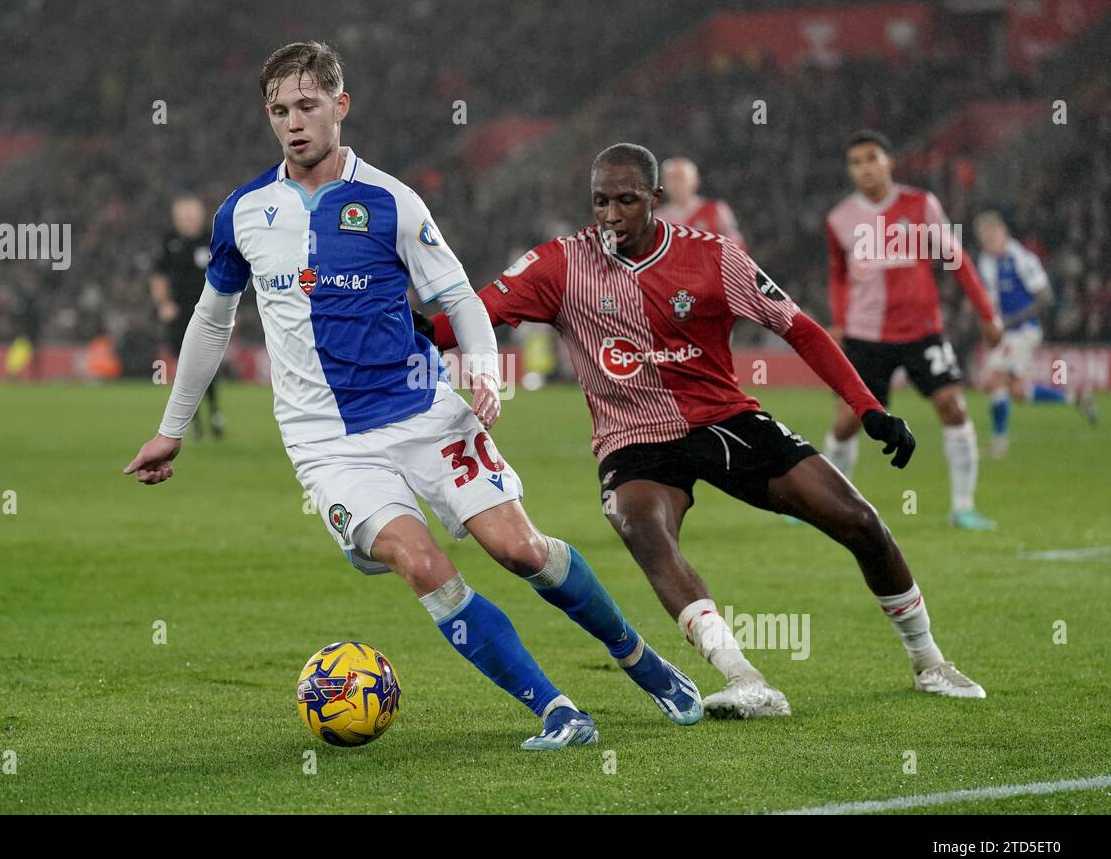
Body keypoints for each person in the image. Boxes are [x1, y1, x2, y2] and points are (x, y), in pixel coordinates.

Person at [124, 42, 701, 750]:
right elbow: (211, 320)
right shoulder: (244, 212)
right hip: (326, 442)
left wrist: (485, 372)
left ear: (341, 106)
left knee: (521, 552)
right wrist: (172, 427)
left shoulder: (392, 202)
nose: (293, 123)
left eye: (307, 105)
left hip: (425, 411)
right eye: (279, 111)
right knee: (425, 565)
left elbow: (457, 297)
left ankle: (640, 661)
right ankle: (556, 710)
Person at [422, 142, 987, 718]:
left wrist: (868, 408)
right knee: (644, 529)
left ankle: (929, 661)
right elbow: (463, 320)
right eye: (600, 202)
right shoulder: (560, 264)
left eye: (626, 200)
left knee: (859, 521)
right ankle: (744, 678)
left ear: (656, 200)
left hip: (724, 420)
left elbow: (801, 329)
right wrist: (391, 323)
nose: (611, 214)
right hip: (634, 438)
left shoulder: (714, 257)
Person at [824, 130, 1003, 530]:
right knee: (846, 422)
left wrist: (987, 313)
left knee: (952, 407)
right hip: (865, 336)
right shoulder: (839, 218)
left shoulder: (920, 205)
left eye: (872, 158)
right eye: (855, 163)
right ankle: (827, 504)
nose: (865, 169)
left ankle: (963, 507)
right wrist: (838, 320)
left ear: (889, 161)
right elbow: (837, 275)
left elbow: (956, 259)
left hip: (923, 331)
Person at [974, 210, 1096, 457]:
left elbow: (1045, 297)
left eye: (992, 237)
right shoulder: (986, 262)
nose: (989, 243)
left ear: (1003, 233)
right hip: (1007, 332)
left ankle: (999, 445)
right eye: (984, 240)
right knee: (1019, 391)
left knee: (994, 381)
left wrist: (1010, 320)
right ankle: (1075, 397)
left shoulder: (1021, 258)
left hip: (1024, 331)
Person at [151, 193, 223, 439]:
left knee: (207, 366)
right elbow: (158, 276)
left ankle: (214, 413)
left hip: (209, 314)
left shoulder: (212, 240)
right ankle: (193, 420)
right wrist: (164, 303)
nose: (187, 220)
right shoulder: (169, 241)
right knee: (185, 368)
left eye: (191, 215)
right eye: (182, 216)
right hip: (180, 315)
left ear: (201, 215)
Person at [654, 157, 744, 247]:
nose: (677, 183)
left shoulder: (716, 210)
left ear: (695, 180)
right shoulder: (657, 218)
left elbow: (736, 245)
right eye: (672, 178)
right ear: (664, 183)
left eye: (681, 177)